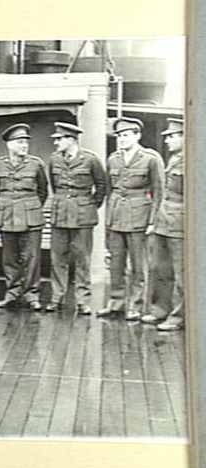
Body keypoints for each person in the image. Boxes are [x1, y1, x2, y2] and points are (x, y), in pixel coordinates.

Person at [96, 117, 163, 320]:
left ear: (137, 136)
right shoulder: (113, 159)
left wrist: (153, 221)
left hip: (139, 217)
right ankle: (115, 302)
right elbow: (109, 191)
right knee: (116, 263)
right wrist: (108, 218)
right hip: (117, 216)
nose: (121, 139)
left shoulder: (151, 159)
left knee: (138, 265)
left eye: (125, 135)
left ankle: (135, 305)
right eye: (119, 136)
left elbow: (159, 191)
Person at [44, 122, 107, 315]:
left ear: (71, 139)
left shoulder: (90, 160)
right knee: (57, 259)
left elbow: (102, 186)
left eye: (59, 139)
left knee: (83, 259)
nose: (56, 143)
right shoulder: (54, 160)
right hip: (60, 213)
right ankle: (57, 298)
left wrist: (88, 205)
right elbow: (55, 187)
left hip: (83, 215)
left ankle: (83, 300)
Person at [0, 123, 48, 311]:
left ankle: (32, 295)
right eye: (20, 142)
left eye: (26, 143)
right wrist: (8, 206)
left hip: (31, 218)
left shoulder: (36, 164)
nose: (24, 146)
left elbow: (43, 191)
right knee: (10, 258)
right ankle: (12, 293)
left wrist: (29, 206)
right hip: (7, 217)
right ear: (9, 145)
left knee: (32, 258)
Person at [141, 118, 185, 331]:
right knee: (160, 268)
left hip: (181, 224)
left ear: (185, 137)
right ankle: (160, 310)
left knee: (181, 272)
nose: (167, 140)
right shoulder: (175, 159)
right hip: (164, 221)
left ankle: (178, 317)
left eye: (172, 136)